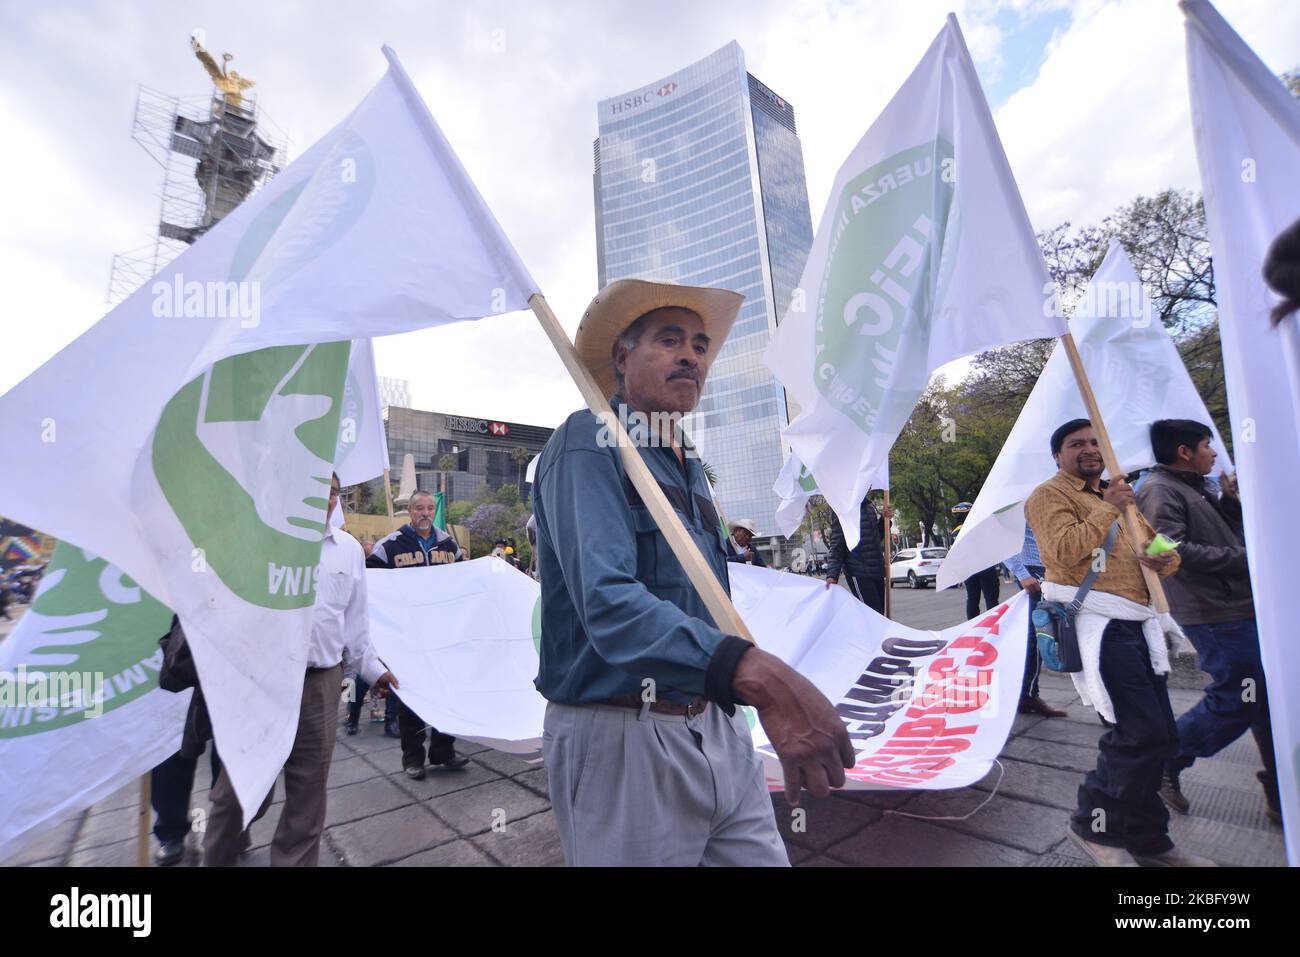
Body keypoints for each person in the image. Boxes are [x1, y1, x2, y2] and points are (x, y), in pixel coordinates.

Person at [533, 278, 854, 866]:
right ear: (623, 358)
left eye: (701, 346)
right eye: (670, 339)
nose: (691, 355)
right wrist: (756, 674)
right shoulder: (588, 440)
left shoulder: (691, 465)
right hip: (624, 734)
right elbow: (608, 603)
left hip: (718, 721)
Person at [1025, 418, 1212, 867]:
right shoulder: (1048, 496)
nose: (1089, 449)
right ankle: (1094, 825)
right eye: (1076, 444)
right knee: (1139, 732)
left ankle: (1150, 841)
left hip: (1137, 624)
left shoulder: (1118, 494)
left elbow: (1157, 546)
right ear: (1058, 455)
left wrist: (1166, 555)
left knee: (1161, 736)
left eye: (1094, 442)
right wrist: (1108, 507)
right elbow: (1064, 551)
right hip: (1098, 626)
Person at [204, 473, 397, 866]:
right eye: (313, 488)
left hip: (321, 684)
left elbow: (355, 626)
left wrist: (373, 670)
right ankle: (218, 856)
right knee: (237, 789)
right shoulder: (261, 541)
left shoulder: (348, 551)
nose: (322, 498)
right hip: (262, 684)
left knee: (308, 792)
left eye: (330, 492)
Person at [1135, 419, 1280, 824]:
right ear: (1184, 451)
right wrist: (1248, 559)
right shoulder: (1160, 489)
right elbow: (1165, 547)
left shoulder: (1195, 486)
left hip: (1235, 605)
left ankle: (1281, 791)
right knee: (1238, 696)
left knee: (1265, 700)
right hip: (1214, 610)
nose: (1214, 453)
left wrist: (1230, 505)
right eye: (1206, 445)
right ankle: (1167, 760)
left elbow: (1216, 535)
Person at [366, 490, 471, 778]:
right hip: (406, 638)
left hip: (443, 636)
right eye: (419, 508)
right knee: (408, 696)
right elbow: (369, 583)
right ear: (410, 512)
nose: (425, 513)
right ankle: (413, 759)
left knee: (446, 694)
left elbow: (465, 582)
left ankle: (443, 751)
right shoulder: (390, 546)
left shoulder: (450, 545)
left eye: (429, 508)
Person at [1005, 522, 1068, 718]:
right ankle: (1028, 694)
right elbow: (1000, 539)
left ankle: (1025, 693)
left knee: (1042, 633)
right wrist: (1022, 574)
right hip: (1032, 571)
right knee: (1039, 634)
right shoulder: (1015, 498)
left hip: (1048, 567)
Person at [824, 496, 891, 614]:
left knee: (880, 617)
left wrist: (885, 520)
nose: (870, 486)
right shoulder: (843, 510)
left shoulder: (869, 507)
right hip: (858, 572)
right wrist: (832, 575)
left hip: (877, 570)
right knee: (872, 616)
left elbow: (875, 537)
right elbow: (837, 545)